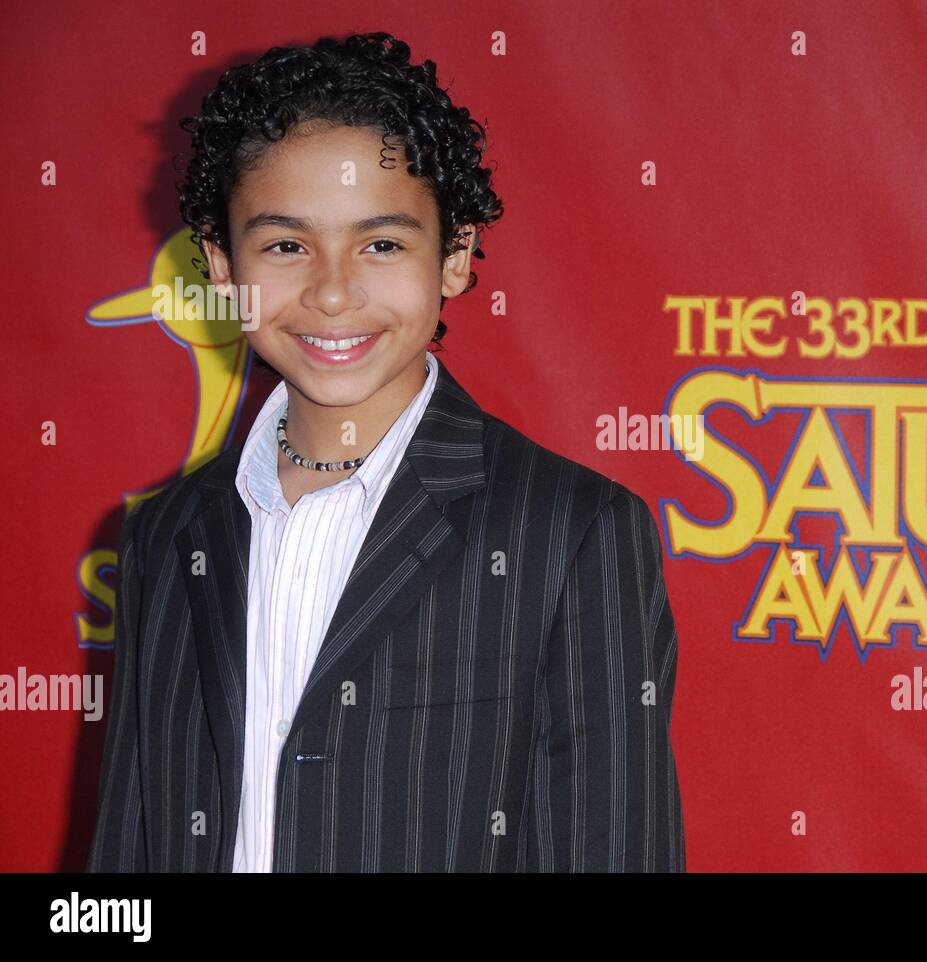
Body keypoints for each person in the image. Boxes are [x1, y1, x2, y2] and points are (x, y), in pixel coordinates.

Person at [86, 31, 686, 872]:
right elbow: (129, 848)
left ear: (456, 256)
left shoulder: (572, 530)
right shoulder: (168, 534)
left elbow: (614, 846)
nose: (332, 291)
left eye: (382, 244)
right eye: (286, 245)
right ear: (221, 266)